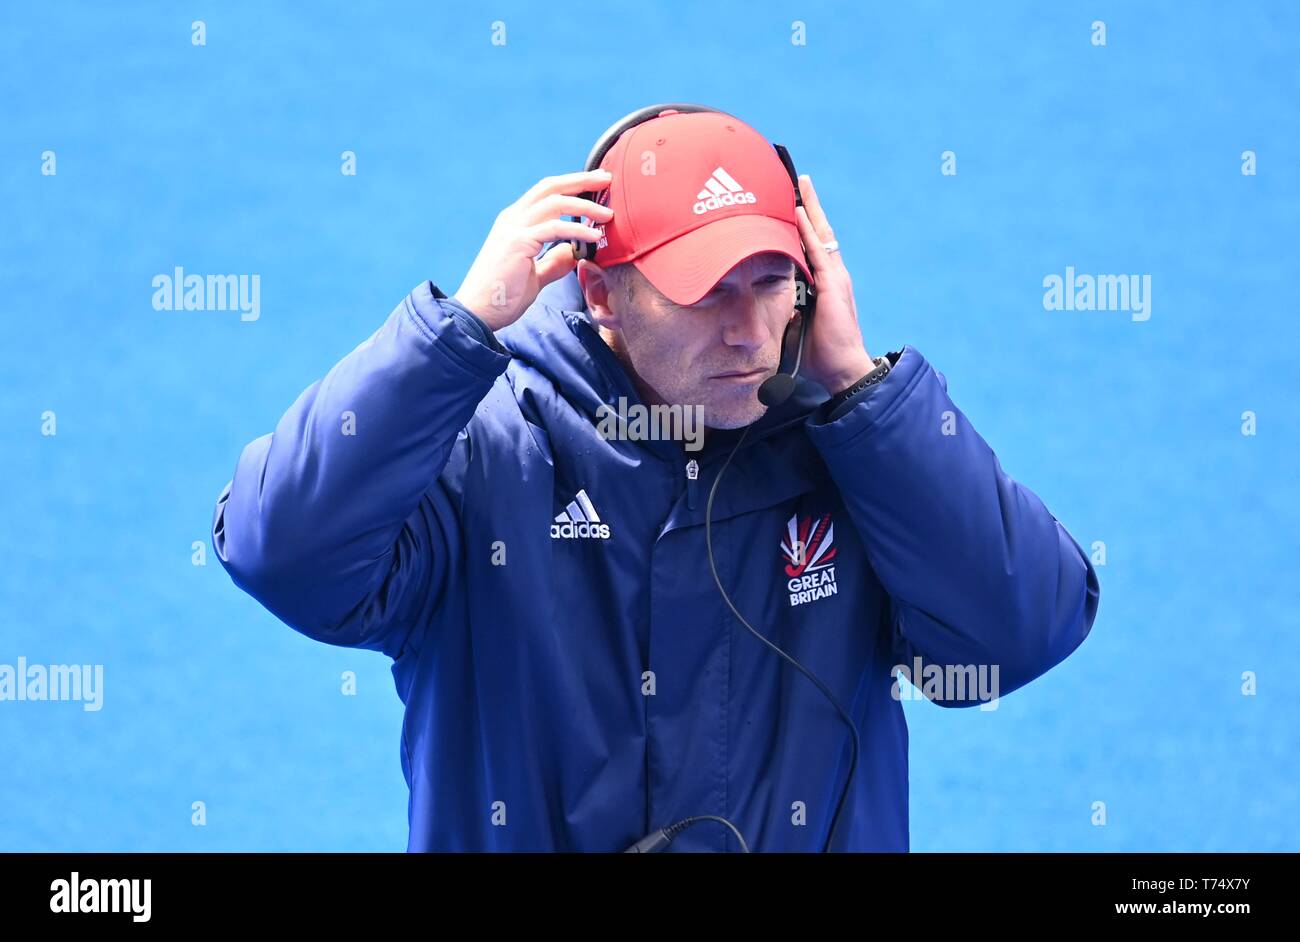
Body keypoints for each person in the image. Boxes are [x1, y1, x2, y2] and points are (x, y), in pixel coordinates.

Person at [211, 107, 1100, 852]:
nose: (748, 332)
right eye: (706, 292)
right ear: (602, 292)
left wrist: (867, 393)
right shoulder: (485, 454)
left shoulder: (861, 459)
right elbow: (280, 552)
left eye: (772, 282)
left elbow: (1018, 636)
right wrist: (457, 331)